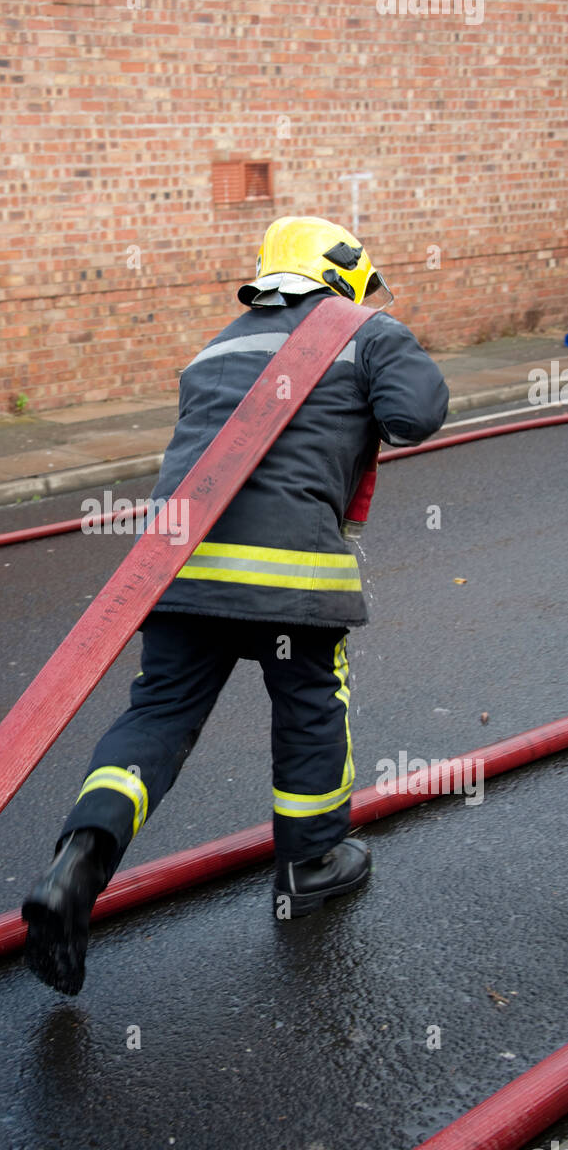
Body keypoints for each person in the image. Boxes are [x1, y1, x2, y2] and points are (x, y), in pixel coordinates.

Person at [22, 215, 449, 995]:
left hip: (178, 570)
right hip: (289, 577)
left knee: (157, 716)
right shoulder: (365, 331)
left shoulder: (213, 346)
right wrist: (386, 351)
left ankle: (78, 861)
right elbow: (414, 416)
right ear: (343, 273)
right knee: (310, 702)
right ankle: (311, 863)